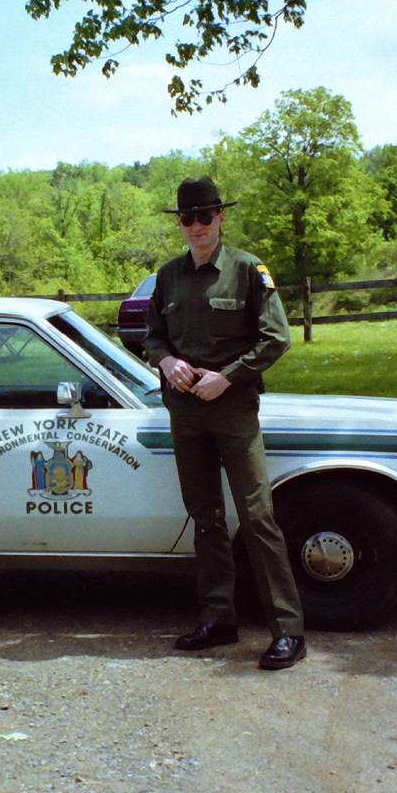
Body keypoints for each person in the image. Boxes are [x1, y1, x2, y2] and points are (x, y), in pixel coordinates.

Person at [142, 177, 306, 670]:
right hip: (185, 412)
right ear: (179, 222)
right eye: (187, 218)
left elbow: (276, 338)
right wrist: (166, 363)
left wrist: (228, 378)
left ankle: (288, 630)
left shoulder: (248, 270)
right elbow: (152, 337)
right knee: (206, 516)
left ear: (221, 218)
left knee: (257, 516)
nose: (196, 226)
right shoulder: (167, 276)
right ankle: (218, 619)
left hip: (233, 410)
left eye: (205, 217)